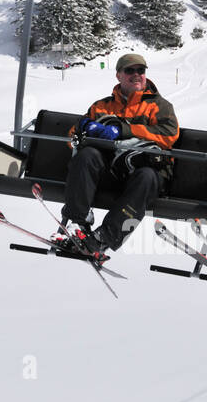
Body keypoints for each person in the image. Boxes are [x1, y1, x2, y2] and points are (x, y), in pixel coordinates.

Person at [55, 53, 180, 257]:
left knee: (147, 177)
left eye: (141, 70)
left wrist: (126, 130)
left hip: (144, 174)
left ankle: (104, 238)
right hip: (110, 172)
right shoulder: (102, 106)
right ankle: (78, 223)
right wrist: (87, 128)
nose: (136, 75)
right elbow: (72, 137)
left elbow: (169, 135)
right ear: (118, 75)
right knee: (87, 155)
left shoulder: (159, 105)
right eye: (130, 70)